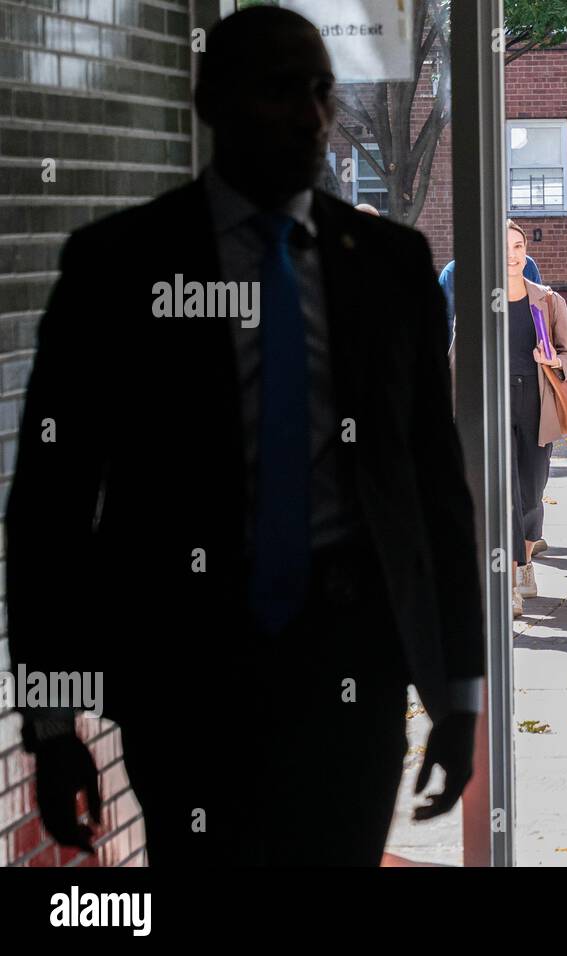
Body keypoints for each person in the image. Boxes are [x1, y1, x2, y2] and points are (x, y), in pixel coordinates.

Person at [5, 6, 485, 865]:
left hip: (353, 670)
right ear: (211, 99)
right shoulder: (119, 267)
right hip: (187, 675)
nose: (311, 115)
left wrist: (458, 694)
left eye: (321, 92)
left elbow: (435, 490)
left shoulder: (390, 269)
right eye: (280, 90)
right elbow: (50, 505)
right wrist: (51, 720)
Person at [503, 219, 567, 618]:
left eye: (518, 246)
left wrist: (553, 360)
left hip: (536, 402)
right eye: (503, 247)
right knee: (506, 495)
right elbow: (456, 356)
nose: (512, 254)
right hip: (494, 402)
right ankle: (511, 582)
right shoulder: (480, 298)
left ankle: (528, 557)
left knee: (531, 491)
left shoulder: (548, 300)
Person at [440, 253, 541, 348]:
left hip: (522, 355)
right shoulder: (452, 272)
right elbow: (445, 322)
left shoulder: (527, 266)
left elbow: (539, 314)